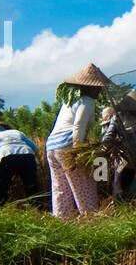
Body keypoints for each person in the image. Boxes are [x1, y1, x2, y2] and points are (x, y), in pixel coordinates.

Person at [45, 63, 111, 217]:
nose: (100, 90)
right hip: (68, 145)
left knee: (60, 186)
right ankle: (90, 217)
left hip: (52, 146)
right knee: (83, 183)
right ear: (90, 87)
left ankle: (62, 220)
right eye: (98, 87)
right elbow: (78, 127)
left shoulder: (69, 102)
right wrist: (78, 151)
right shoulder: (87, 101)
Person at [100, 89, 136, 196]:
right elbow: (108, 136)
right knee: (120, 183)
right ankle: (120, 202)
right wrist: (109, 144)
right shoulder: (118, 119)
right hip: (124, 157)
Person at [0, 121, 40, 206]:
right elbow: (34, 147)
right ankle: (38, 207)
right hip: (27, 155)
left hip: (5, 156)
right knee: (31, 185)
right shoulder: (16, 132)